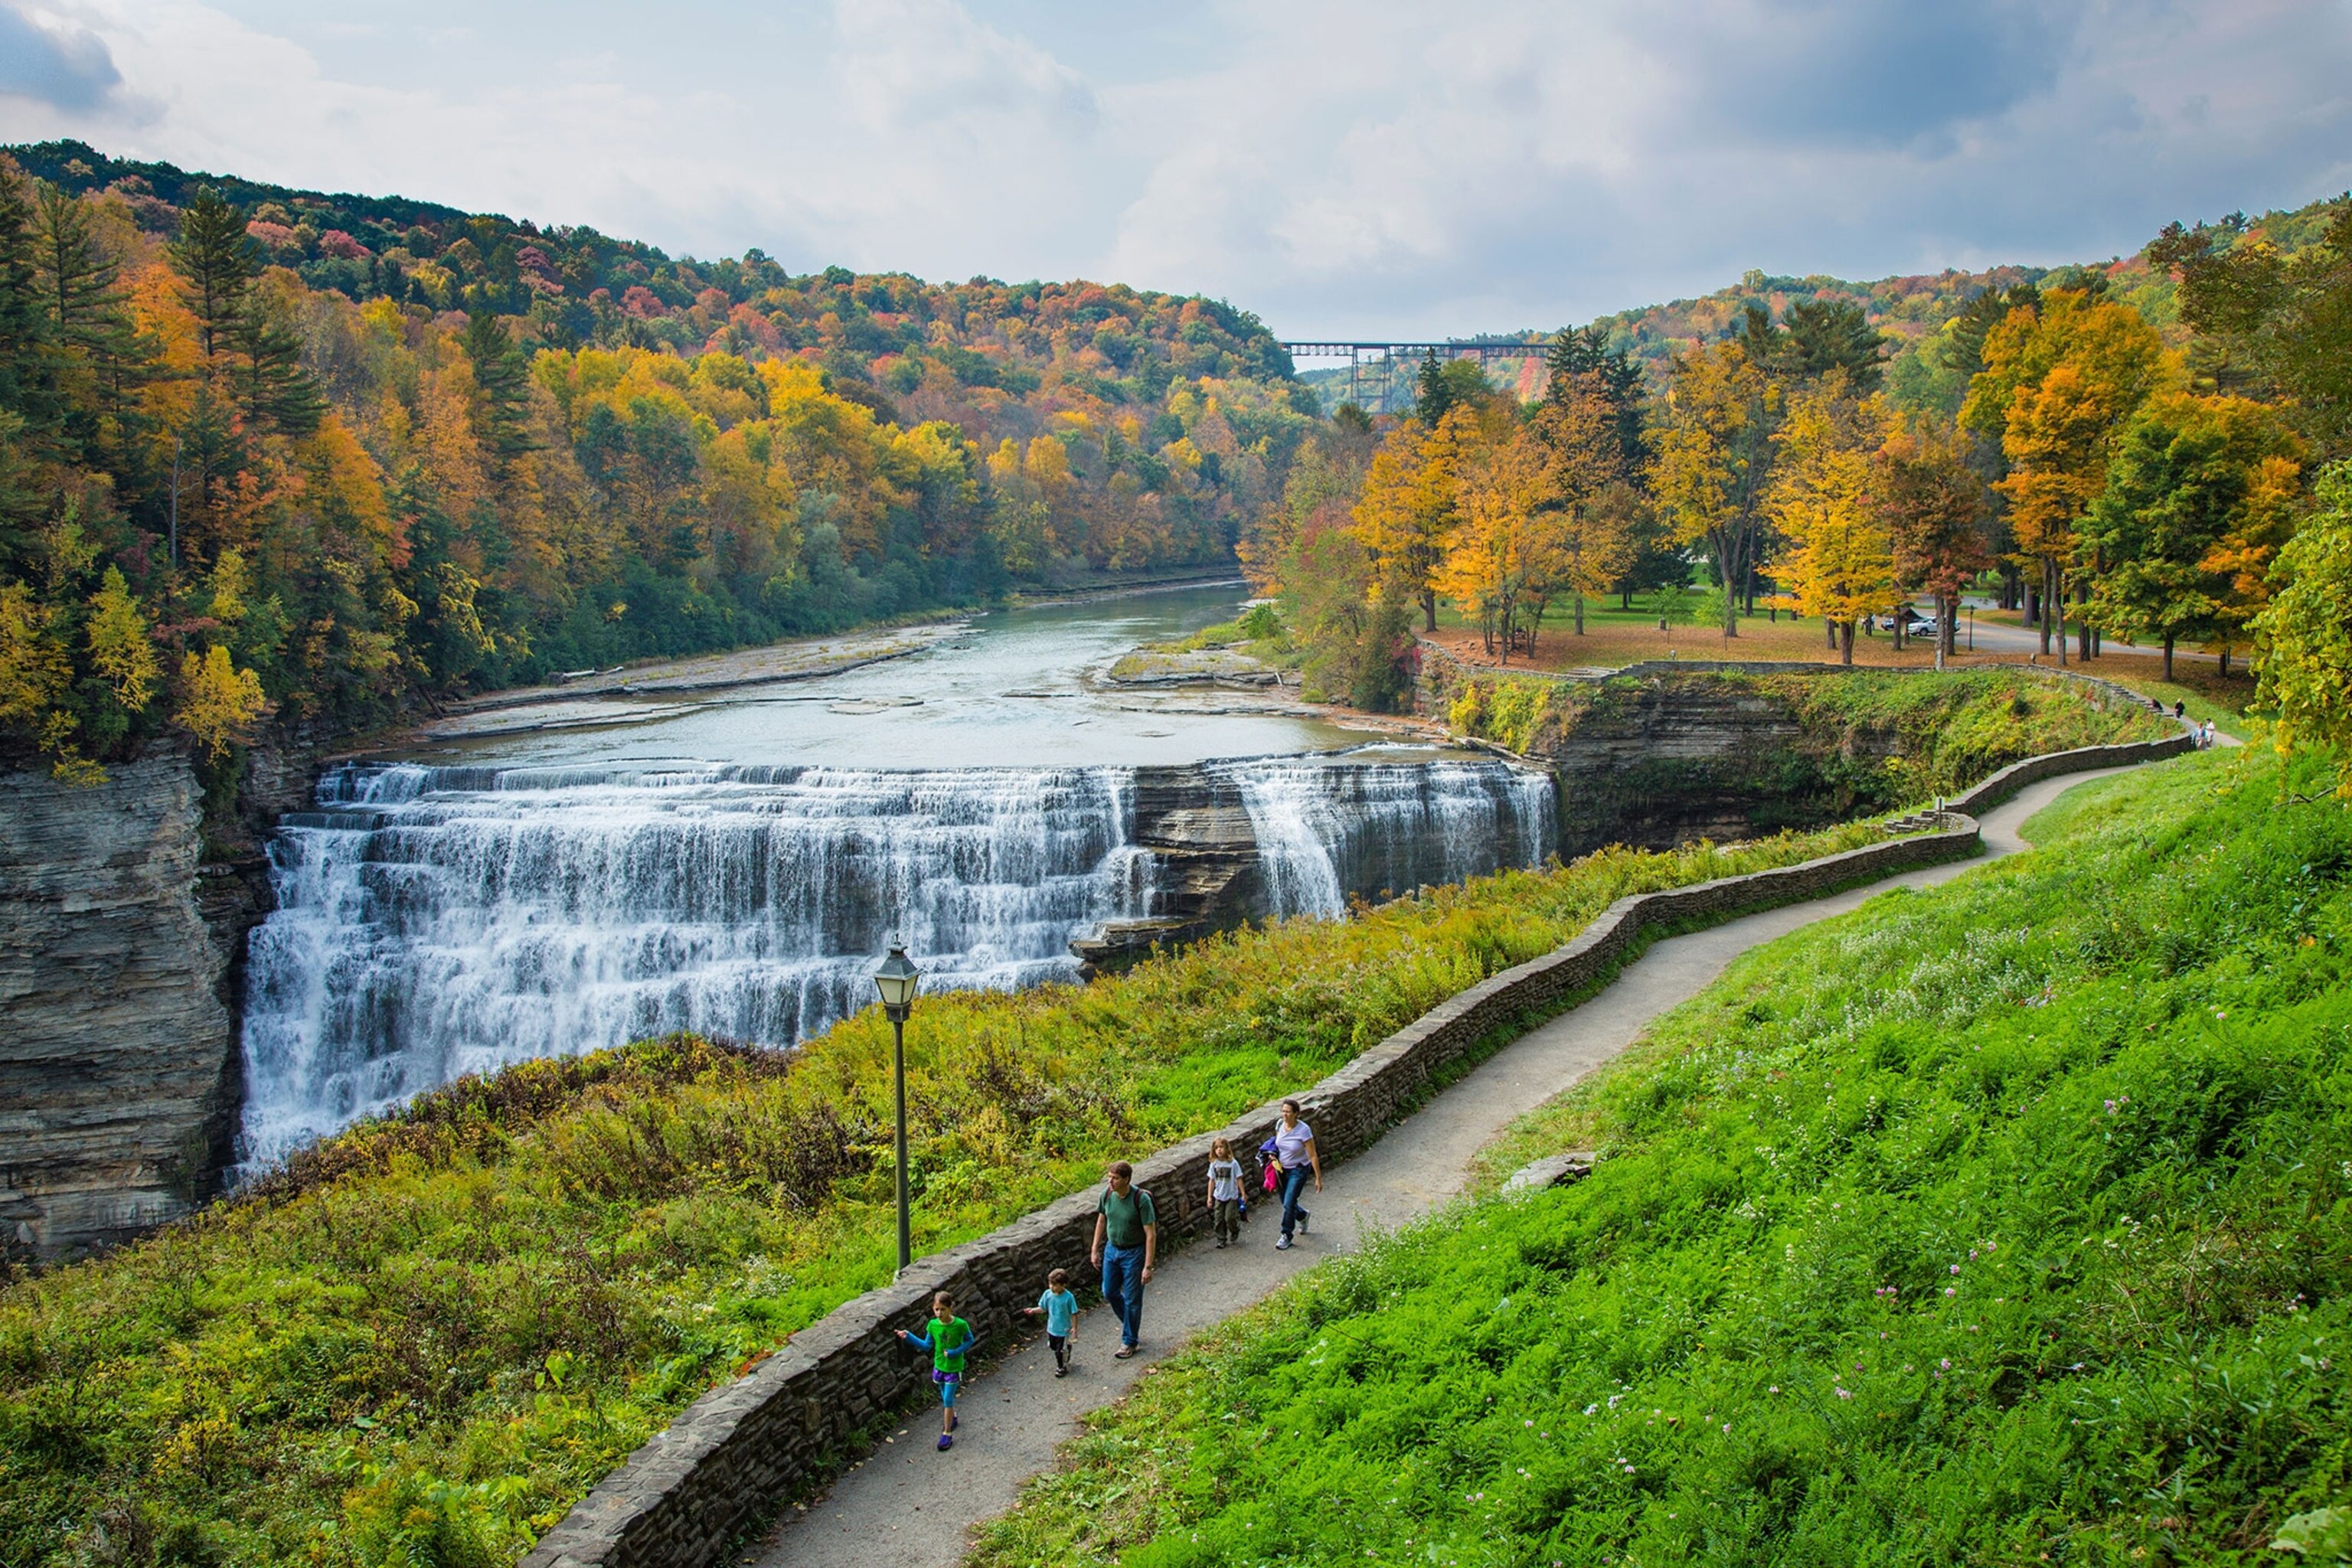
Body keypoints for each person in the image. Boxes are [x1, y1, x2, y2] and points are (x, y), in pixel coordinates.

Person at [1089, 1161, 1156, 1359]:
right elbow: (1102, 1220)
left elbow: (1150, 1234)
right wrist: (1095, 1249)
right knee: (1109, 1291)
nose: (1110, 1181)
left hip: (1134, 1253)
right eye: (1109, 1177)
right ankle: (1130, 1325)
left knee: (1133, 1299)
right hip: (1112, 1250)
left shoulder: (1141, 1200)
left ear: (1126, 1179)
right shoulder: (1107, 1195)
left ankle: (1129, 1341)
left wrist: (1148, 1266)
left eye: (1115, 1178)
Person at [896, 1289, 976, 1449]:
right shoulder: (932, 1325)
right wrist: (909, 1337)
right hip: (939, 1366)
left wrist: (955, 1352)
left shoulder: (960, 1325)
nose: (939, 1313)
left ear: (950, 1308)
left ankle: (947, 1434)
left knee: (947, 1399)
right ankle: (952, 1416)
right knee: (944, 1396)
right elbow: (926, 1346)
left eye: (943, 1310)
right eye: (936, 1309)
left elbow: (969, 1340)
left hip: (953, 1367)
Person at [1270, 1099, 1321, 1252]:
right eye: (1283, 1111)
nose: (1284, 1114)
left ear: (1296, 1114)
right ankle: (1302, 1215)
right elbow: (1278, 1144)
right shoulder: (1280, 1125)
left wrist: (1318, 1177)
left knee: (1288, 1202)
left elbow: (1312, 1155)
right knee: (1286, 1202)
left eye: (1288, 1112)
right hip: (1281, 1170)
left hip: (1298, 1170)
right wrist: (1273, 1156)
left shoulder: (1303, 1131)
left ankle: (1286, 1235)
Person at [1021, 1268, 1079, 1377]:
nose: (1052, 1287)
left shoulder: (1068, 1297)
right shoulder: (1048, 1294)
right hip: (1052, 1328)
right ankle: (1067, 1350)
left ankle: (1061, 1368)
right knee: (1053, 1347)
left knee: (1059, 1351)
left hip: (1064, 1330)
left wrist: (1074, 1328)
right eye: (1050, 1284)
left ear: (1063, 1285)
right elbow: (1043, 1308)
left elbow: (1074, 1313)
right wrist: (1033, 1311)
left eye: (1055, 1285)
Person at [1205, 1138, 1244, 1248]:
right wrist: (1209, 1197)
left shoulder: (1233, 1163)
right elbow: (1211, 1181)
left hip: (1231, 1195)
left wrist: (1243, 1193)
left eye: (1221, 1147)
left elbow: (1239, 1178)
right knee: (1218, 1218)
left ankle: (1235, 1229)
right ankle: (1221, 1238)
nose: (1219, 1150)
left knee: (1230, 1217)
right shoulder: (1214, 1164)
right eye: (1216, 1148)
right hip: (1219, 1195)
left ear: (1227, 1148)